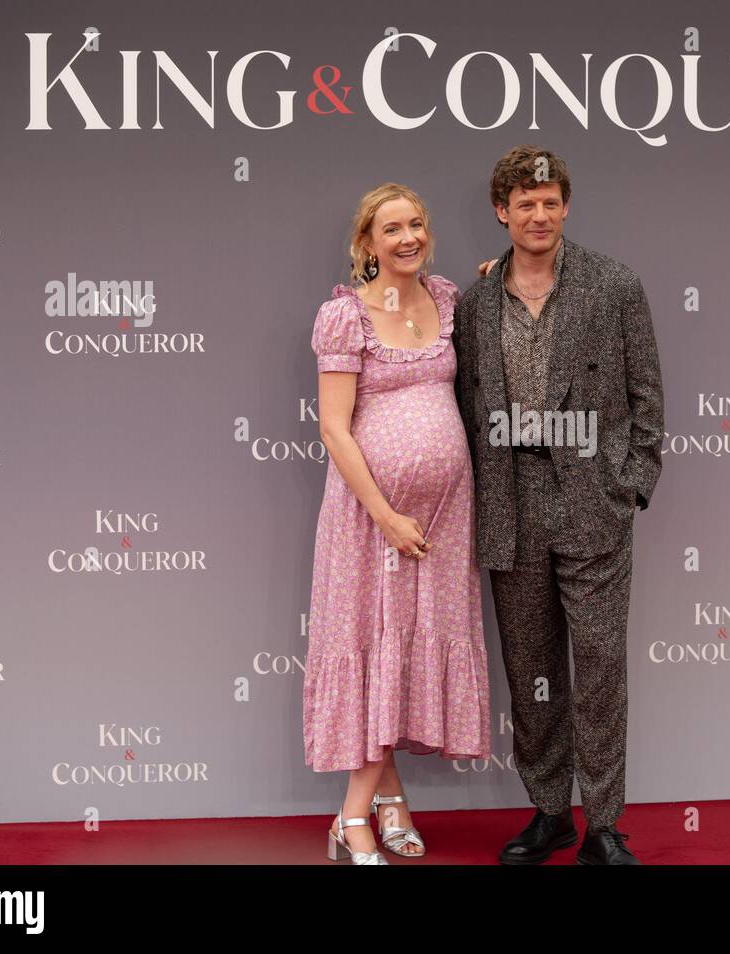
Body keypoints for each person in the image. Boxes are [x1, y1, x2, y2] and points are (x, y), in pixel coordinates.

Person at [453, 145, 664, 865]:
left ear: (566, 207)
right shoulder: (475, 303)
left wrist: (629, 484)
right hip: (511, 503)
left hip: (593, 503)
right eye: (525, 204)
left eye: (550, 202)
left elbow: (647, 395)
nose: (538, 215)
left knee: (600, 665)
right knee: (532, 669)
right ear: (501, 211)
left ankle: (603, 824)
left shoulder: (614, 285)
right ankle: (550, 812)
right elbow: (462, 403)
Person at [304, 182, 491, 865]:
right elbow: (334, 428)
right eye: (391, 228)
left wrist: (501, 274)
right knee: (375, 644)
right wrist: (385, 516)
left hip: (444, 517)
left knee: (404, 649)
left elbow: (503, 314)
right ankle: (353, 818)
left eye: (416, 224)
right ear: (367, 243)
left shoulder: (447, 300)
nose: (408, 237)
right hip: (370, 520)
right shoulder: (345, 316)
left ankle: (391, 802)